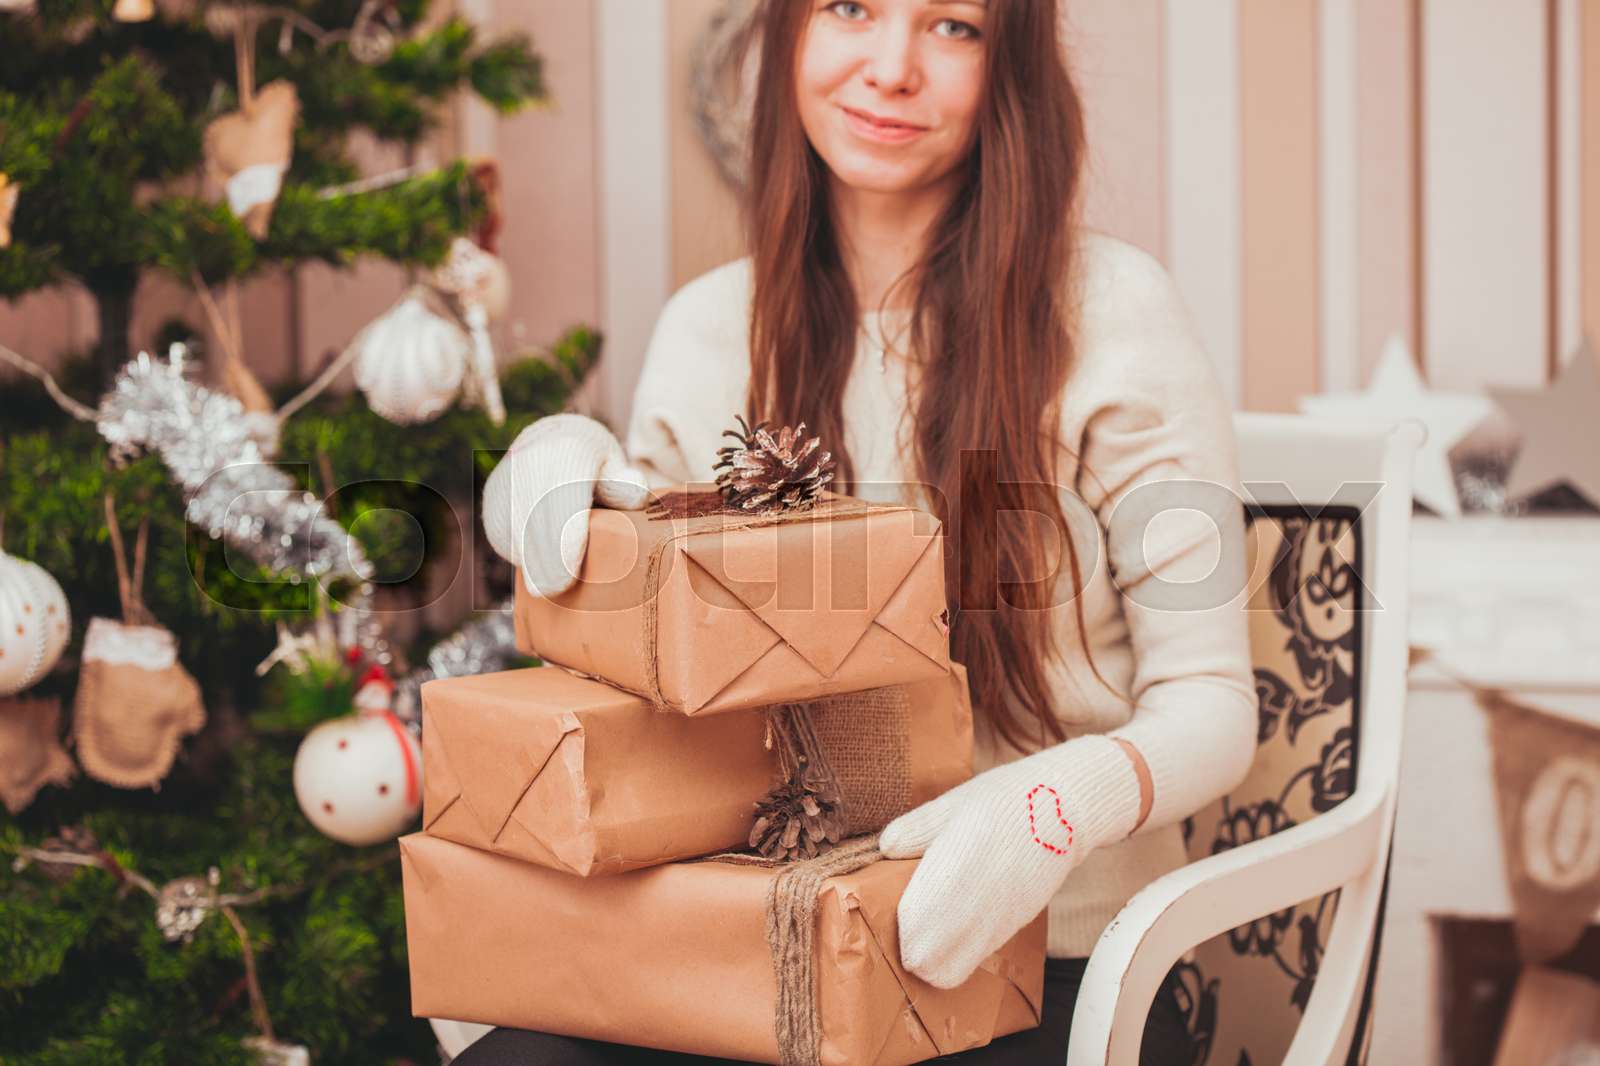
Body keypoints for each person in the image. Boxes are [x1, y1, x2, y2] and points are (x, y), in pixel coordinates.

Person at [465, 0, 1255, 1061]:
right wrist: (567, 470)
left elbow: (1213, 705)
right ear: (789, 34)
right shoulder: (710, 327)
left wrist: (1054, 808)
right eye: (850, 7)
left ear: (1009, 70)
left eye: (954, 27)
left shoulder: (1113, 311)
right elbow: (645, 667)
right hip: (766, 945)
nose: (891, 67)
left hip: (1054, 970)